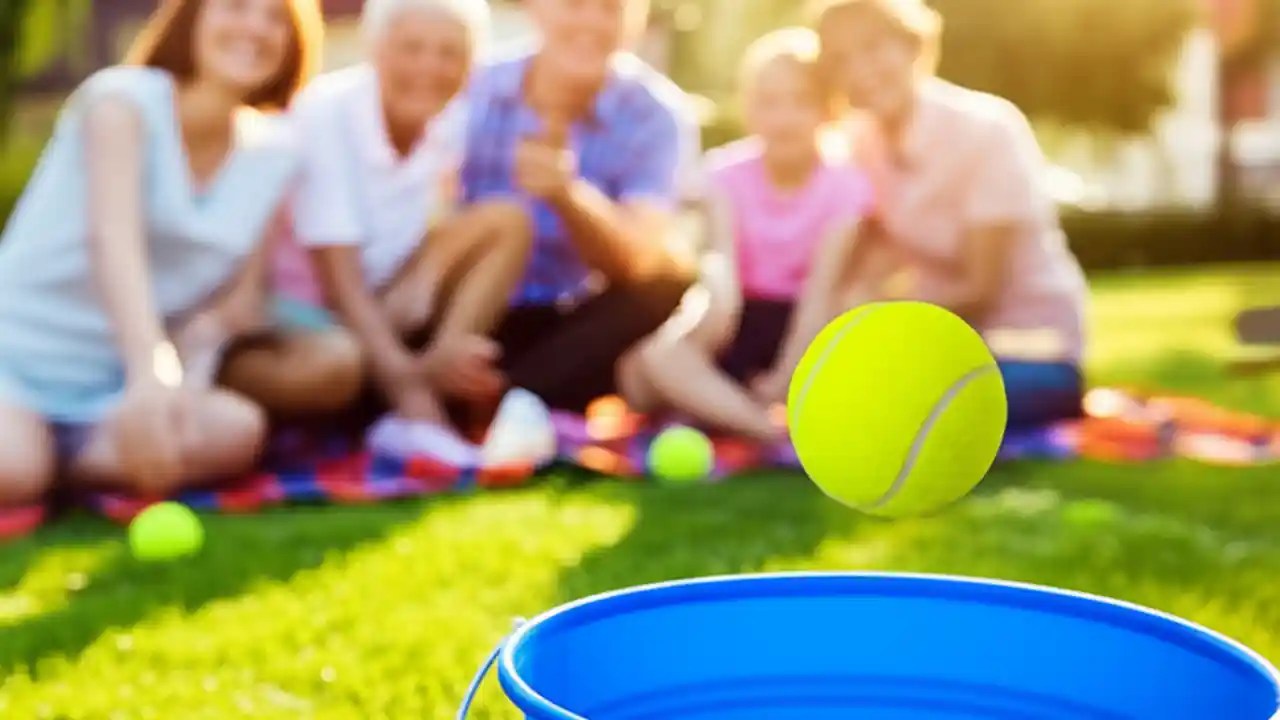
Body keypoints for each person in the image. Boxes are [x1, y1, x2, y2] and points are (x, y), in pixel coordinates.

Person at [0, 0, 324, 513]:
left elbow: (238, 304)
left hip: (107, 391)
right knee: (14, 472)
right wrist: (150, 369)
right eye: (237, 7)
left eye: (276, 19)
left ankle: (54, 463)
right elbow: (114, 243)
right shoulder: (122, 101)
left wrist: (188, 374)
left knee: (238, 430)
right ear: (193, 17)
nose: (255, 28)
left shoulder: (276, 153)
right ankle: (34, 459)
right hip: (17, 359)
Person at [814, 0, 1088, 429]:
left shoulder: (987, 129)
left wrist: (880, 315)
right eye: (840, 59)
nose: (858, 69)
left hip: (1030, 349)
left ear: (913, 46)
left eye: (872, 47)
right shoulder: (859, 144)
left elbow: (981, 289)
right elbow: (858, 261)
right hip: (939, 345)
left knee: (903, 410)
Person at [265, 0, 531, 440]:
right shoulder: (326, 111)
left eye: (450, 53)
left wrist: (427, 289)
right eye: (412, 48)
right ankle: (413, 405)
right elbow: (341, 282)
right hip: (312, 316)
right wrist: (411, 395)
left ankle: (442, 369)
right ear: (376, 49)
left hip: (385, 298)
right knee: (339, 365)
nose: (430, 67)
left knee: (508, 221)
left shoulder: (449, 120)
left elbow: (433, 226)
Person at [619, 27, 875, 442]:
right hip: (737, 314)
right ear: (750, 109)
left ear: (828, 110)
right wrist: (711, 318)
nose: (785, 118)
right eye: (770, 102)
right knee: (645, 369)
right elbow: (722, 266)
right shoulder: (725, 173)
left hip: (802, 324)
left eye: (801, 102)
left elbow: (821, 292)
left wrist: (783, 378)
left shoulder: (846, 187)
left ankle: (734, 413)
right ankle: (768, 432)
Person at [461, 0, 699, 417]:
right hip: (471, 310)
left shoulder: (658, 114)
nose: (592, 21)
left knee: (670, 275)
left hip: (573, 326)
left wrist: (567, 195)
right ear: (536, 8)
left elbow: (640, 260)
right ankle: (496, 395)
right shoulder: (472, 86)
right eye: (575, 4)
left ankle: (510, 396)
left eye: (610, 7)